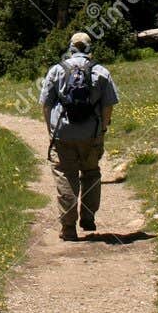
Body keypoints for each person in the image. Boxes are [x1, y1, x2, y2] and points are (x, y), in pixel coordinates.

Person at [40, 31, 120, 241]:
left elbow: (46, 105)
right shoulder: (101, 71)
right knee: (91, 172)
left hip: (63, 133)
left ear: (70, 48)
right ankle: (88, 218)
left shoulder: (56, 70)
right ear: (89, 48)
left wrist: (51, 131)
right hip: (91, 133)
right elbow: (108, 105)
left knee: (65, 175)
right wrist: (102, 130)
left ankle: (68, 227)